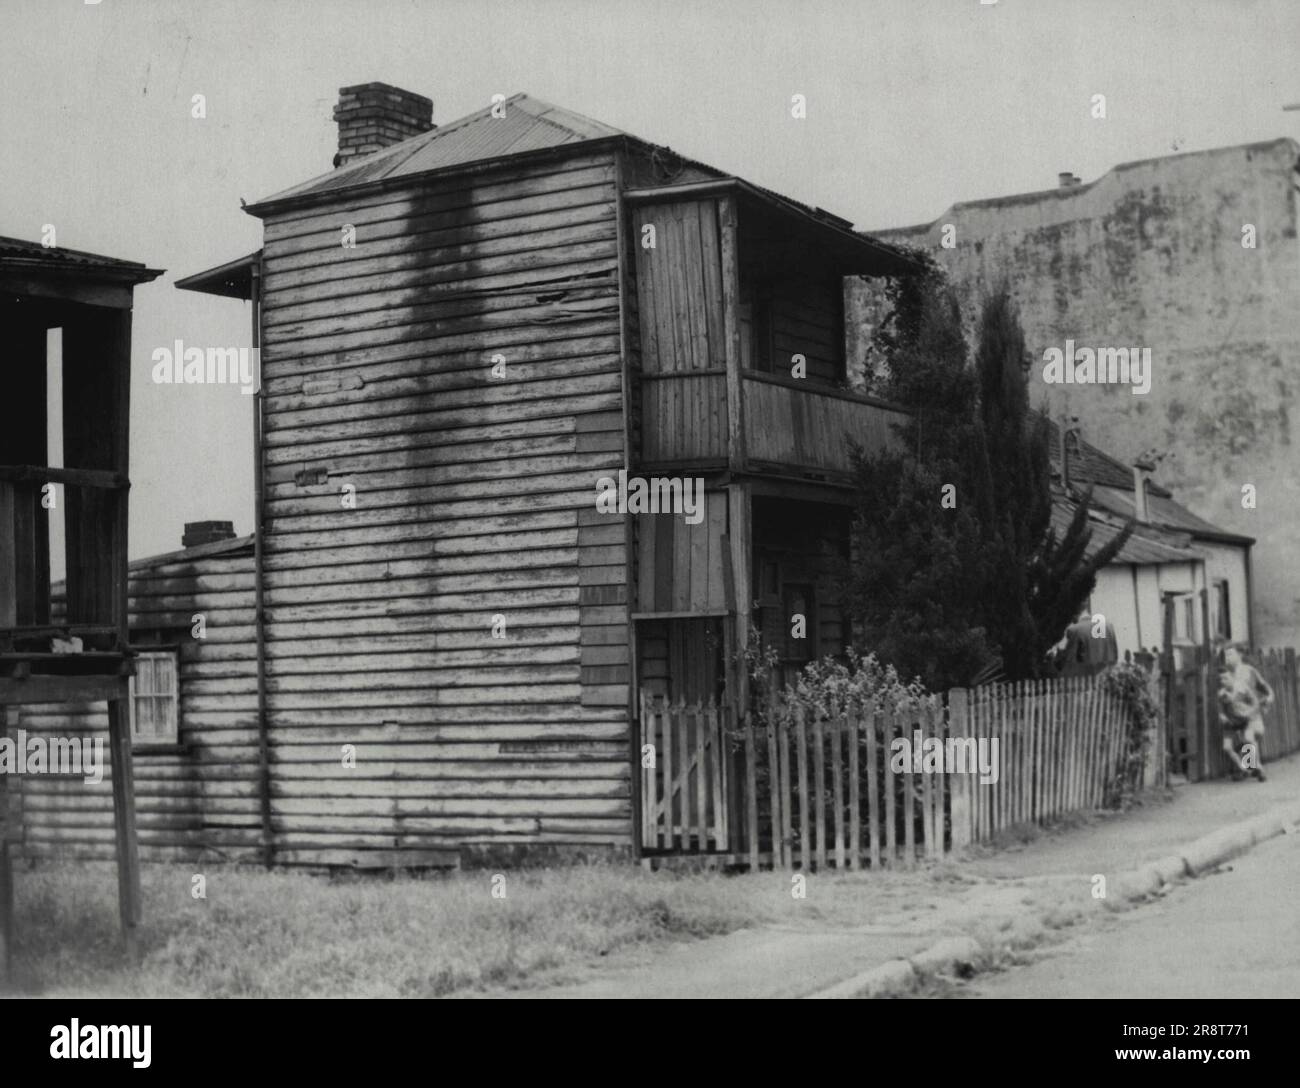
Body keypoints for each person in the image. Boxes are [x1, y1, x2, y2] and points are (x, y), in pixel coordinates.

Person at [1217, 643, 1273, 781]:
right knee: (1247, 740)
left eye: (1230, 654)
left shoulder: (1250, 671)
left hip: (1252, 714)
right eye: (1226, 655)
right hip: (1236, 716)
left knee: (1253, 736)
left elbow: (1267, 689)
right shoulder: (1226, 674)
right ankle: (1254, 769)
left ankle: (1251, 767)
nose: (1227, 657)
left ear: (1240, 655)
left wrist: (1268, 700)